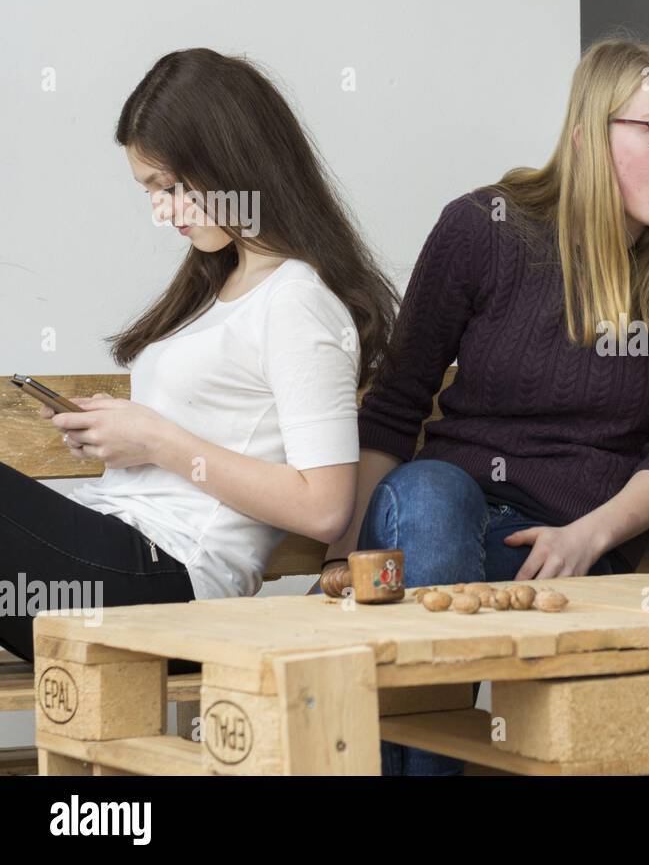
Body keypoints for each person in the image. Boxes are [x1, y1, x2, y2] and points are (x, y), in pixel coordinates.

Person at [325, 37, 649, 774]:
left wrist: (587, 535)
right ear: (588, 133)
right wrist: (338, 562)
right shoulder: (484, 229)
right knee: (431, 496)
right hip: (433, 529)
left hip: (573, 548)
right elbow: (395, 408)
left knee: (433, 540)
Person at [0, 48, 397, 664]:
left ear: (234, 159)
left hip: (172, 580)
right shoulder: (216, 289)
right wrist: (118, 434)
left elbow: (324, 506)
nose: (162, 210)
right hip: (116, 546)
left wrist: (156, 441)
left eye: (172, 186)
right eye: (150, 190)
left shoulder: (295, 301)